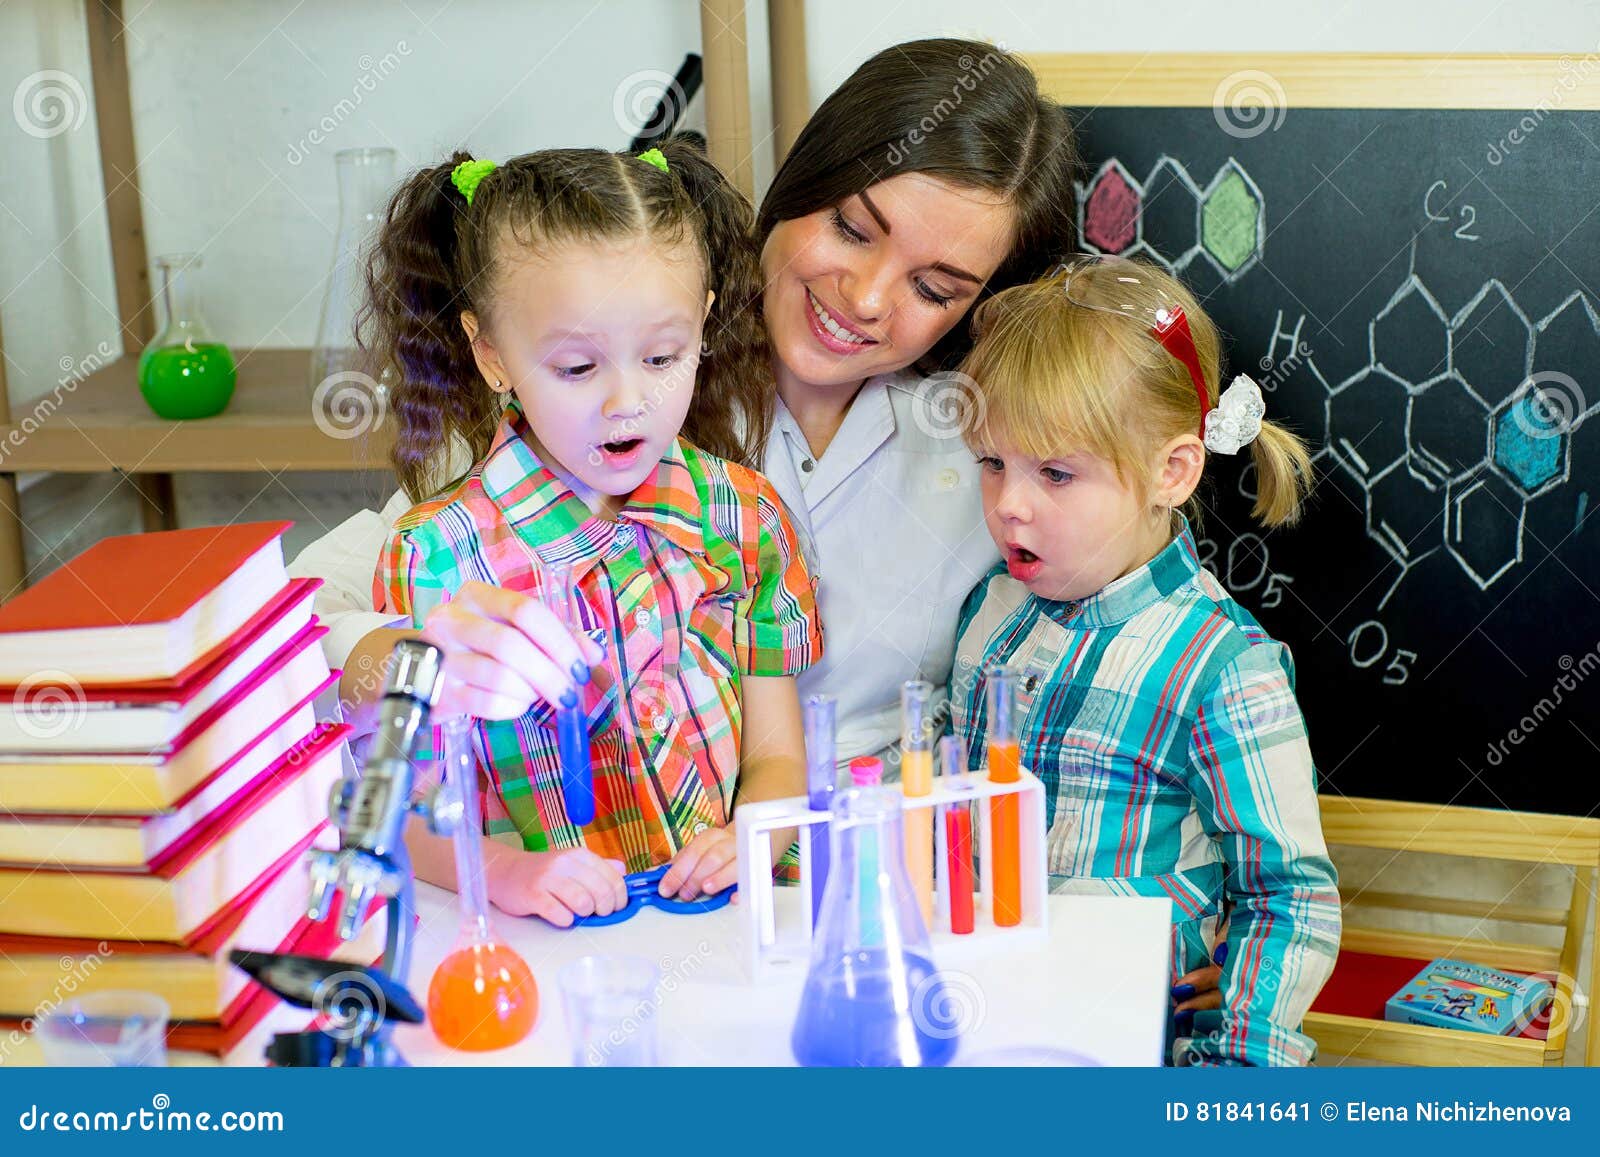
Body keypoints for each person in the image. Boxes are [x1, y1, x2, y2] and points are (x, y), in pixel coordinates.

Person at [366, 138, 820, 926]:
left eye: (662, 356)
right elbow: (406, 811)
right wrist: (510, 872)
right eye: (578, 368)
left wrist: (758, 830)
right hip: (541, 952)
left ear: (704, 324)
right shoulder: (436, 557)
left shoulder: (744, 518)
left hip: (722, 932)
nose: (626, 401)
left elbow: (777, 756)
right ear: (492, 354)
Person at [948, 257, 1341, 1066]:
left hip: (1125, 1050)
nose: (1008, 503)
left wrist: (1238, 1063)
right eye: (992, 462)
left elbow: (1287, 894)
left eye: (1055, 472)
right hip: (983, 1021)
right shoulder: (989, 611)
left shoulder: (1223, 667)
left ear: (1172, 470)